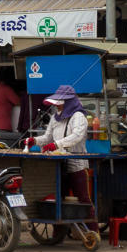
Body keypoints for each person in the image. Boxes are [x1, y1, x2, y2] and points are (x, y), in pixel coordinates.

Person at [35, 84, 94, 216]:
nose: (57, 105)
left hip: (77, 164)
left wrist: (56, 145)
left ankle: (92, 230)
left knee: (83, 198)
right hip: (59, 164)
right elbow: (47, 137)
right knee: (60, 198)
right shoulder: (55, 118)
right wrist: (34, 140)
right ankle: (59, 231)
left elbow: (76, 136)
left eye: (60, 103)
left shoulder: (78, 116)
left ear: (69, 102)